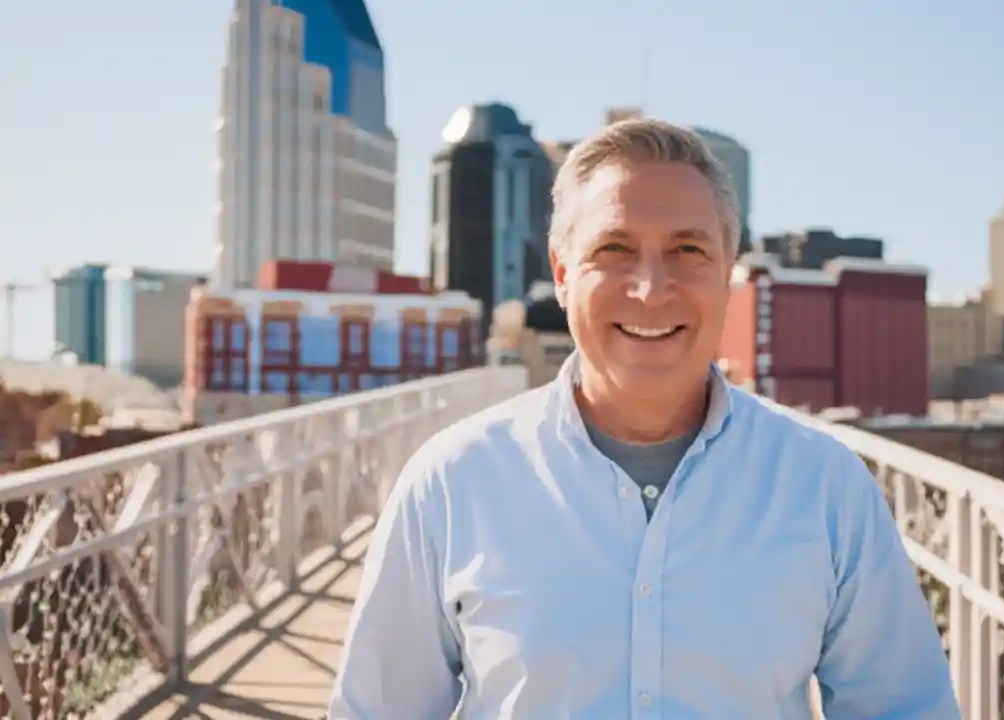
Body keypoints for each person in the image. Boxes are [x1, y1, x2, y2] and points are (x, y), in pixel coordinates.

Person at [328, 118, 959, 719]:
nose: (651, 289)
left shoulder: (827, 488)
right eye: (615, 248)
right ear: (562, 272)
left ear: (728, 274)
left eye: (688, 250)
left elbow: (903, 709)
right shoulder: (451, 483)